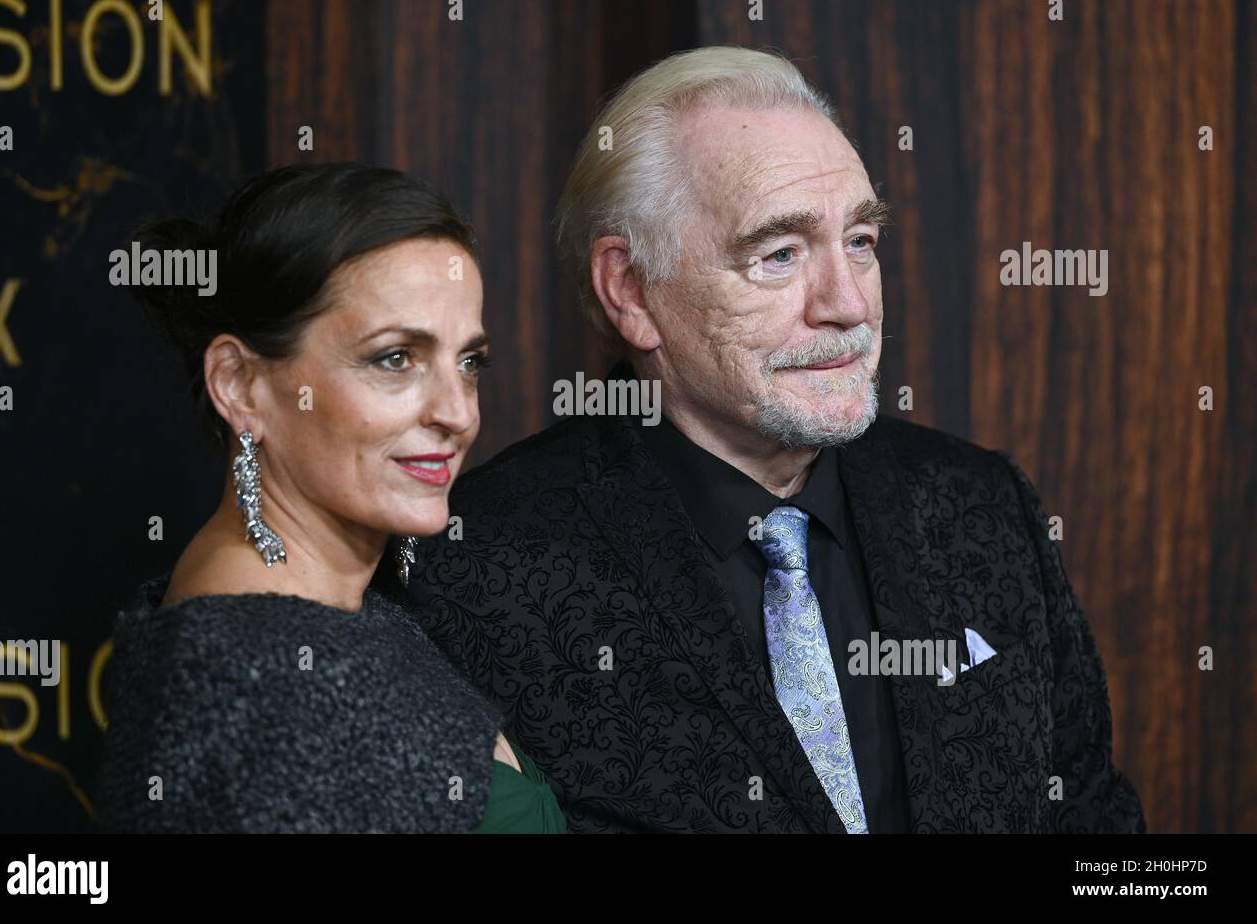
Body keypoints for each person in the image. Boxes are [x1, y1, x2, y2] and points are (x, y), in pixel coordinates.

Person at [385, 47, 1146, 833]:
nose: (849, 304)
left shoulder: (984, 506)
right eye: (779, 254)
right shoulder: (474, 563)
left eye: (860, 241)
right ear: (632, 290)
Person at [94, 163, 565, 833]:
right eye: (395, 358)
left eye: (470, 362)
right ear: (240, 385)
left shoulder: (333, 605)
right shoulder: (257, 686)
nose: (457, 412)